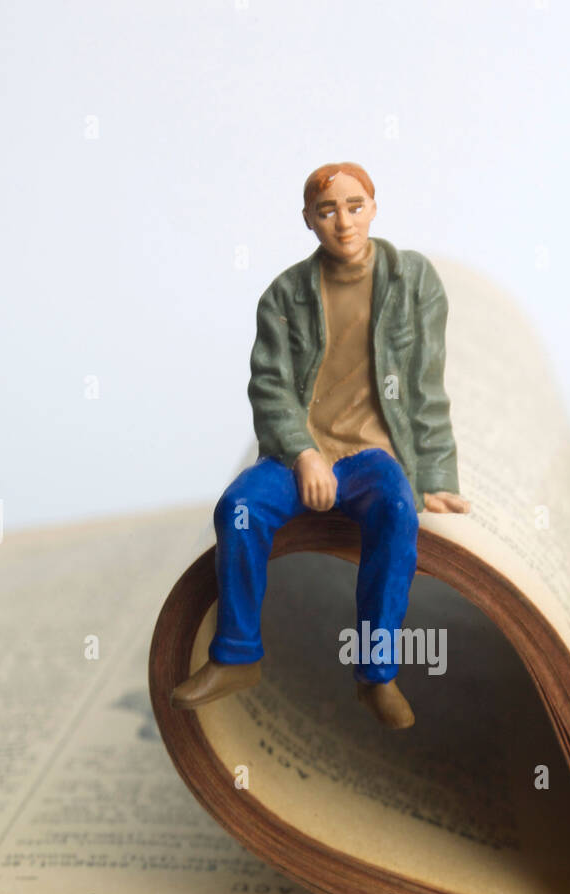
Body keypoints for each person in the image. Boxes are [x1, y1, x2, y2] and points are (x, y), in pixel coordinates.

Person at [170, 161, 470, 729]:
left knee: (397, 511)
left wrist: (438, 477)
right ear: (308, 220)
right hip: (297, 454)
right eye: (328, 210)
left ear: (374, 208)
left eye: (355, 206)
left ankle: (376, 671)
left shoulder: (414, 282)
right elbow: (270, 387)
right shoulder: (285, 295)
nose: (344, 222)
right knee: (237, 510)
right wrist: (304, 452)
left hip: (373, 455)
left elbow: (428, 386)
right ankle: (236, 656)